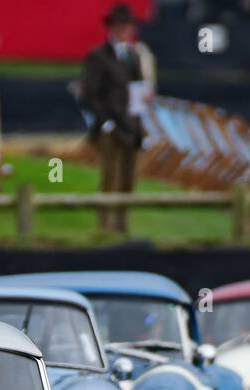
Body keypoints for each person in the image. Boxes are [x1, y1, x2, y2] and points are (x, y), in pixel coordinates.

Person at [79, 4, 148, 234]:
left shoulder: (133, 56)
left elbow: (137, 89)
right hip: (110, 127)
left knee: (128, 180)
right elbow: (89, 94)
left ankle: (122, 227)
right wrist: (105, 122)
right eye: (119, 26)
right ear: (111, 28)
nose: (123, 30)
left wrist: (140, 115)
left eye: (127, 26)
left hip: (131, 125)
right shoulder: (97, 57)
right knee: (110, 179)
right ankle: (105, 227)